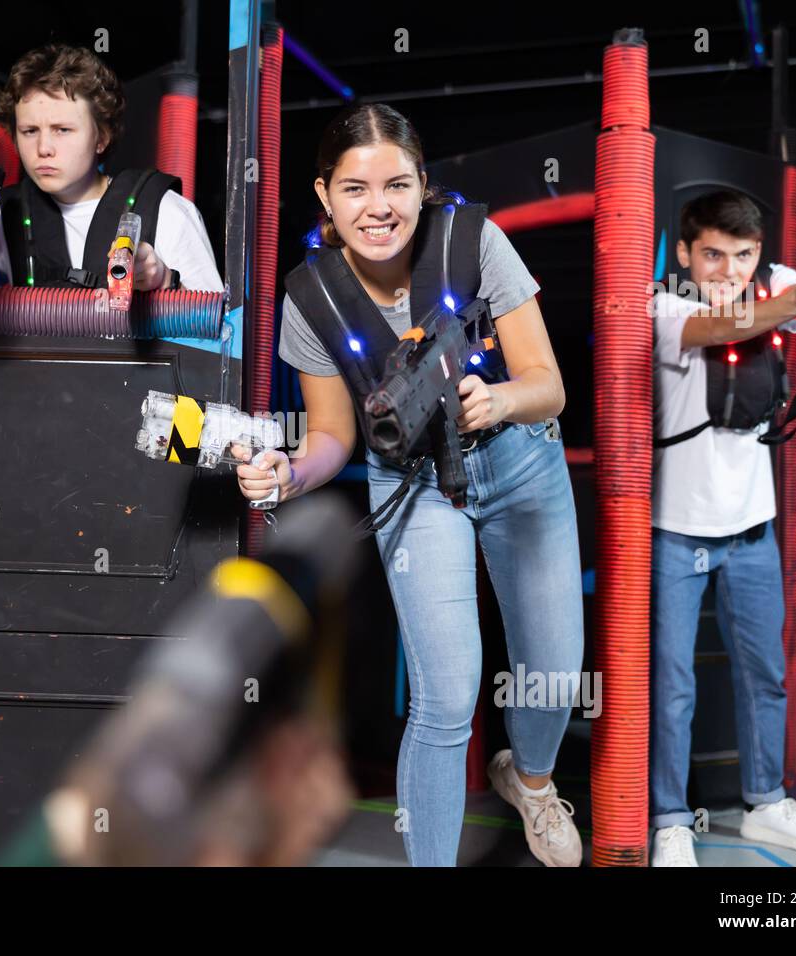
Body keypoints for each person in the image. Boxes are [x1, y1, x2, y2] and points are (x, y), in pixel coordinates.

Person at [235, 103, 586, 867]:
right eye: (355, 189)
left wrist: (498, 399)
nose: (378, 207)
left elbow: (549, 385)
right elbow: (333, 434)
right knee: (446, 696)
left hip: (521, 456)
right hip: (415, 481)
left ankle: (529, 781)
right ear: (324, 195)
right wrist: (290, 474)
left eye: (397, 184)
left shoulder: (475, 241)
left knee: (554, 677)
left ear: (423, 184)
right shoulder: (311, 296)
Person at [649, 190, 796, 866]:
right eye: (711, 255)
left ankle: (767, 803)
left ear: (759, 253)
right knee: (672, 685)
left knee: (766, 673)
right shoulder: (663, 305)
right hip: (675, 532)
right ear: (684, 253)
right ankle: (670, 819)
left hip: (752, 530)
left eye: (742, 255)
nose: (727, 269)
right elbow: (725, 326)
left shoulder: (780, 284)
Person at [0, 43, 222, 295]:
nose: (43, 147)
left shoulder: (165, 210)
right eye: (30, 130)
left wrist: (165, 280)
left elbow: (219, 336)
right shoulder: (6, 210)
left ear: (102, 137)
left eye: (63, 130)